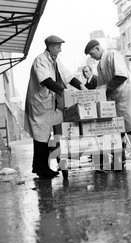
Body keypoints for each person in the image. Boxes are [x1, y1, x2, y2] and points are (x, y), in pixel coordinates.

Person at [25, 35, 87, 180]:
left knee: (48, 136)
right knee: (41, 136)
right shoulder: (40, 60)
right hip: (40, 104)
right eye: (58, 46)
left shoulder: (56, 61)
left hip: (50, 104)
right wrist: (62, 91)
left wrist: (81, 86)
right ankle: (42, 169)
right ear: (50, 46)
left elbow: (69, 76)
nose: (60, 49)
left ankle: (43, 167)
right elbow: (46, 80)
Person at [84, 40, 131, 172]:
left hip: (125, 98)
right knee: (117, 131)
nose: (91, 57)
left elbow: (121, 76)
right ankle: (119, 161)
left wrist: (106, 87)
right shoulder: (99, 65)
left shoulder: (113, 54)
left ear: (97, 48)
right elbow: (100, 87)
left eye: (91, 53)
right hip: (114, 101)